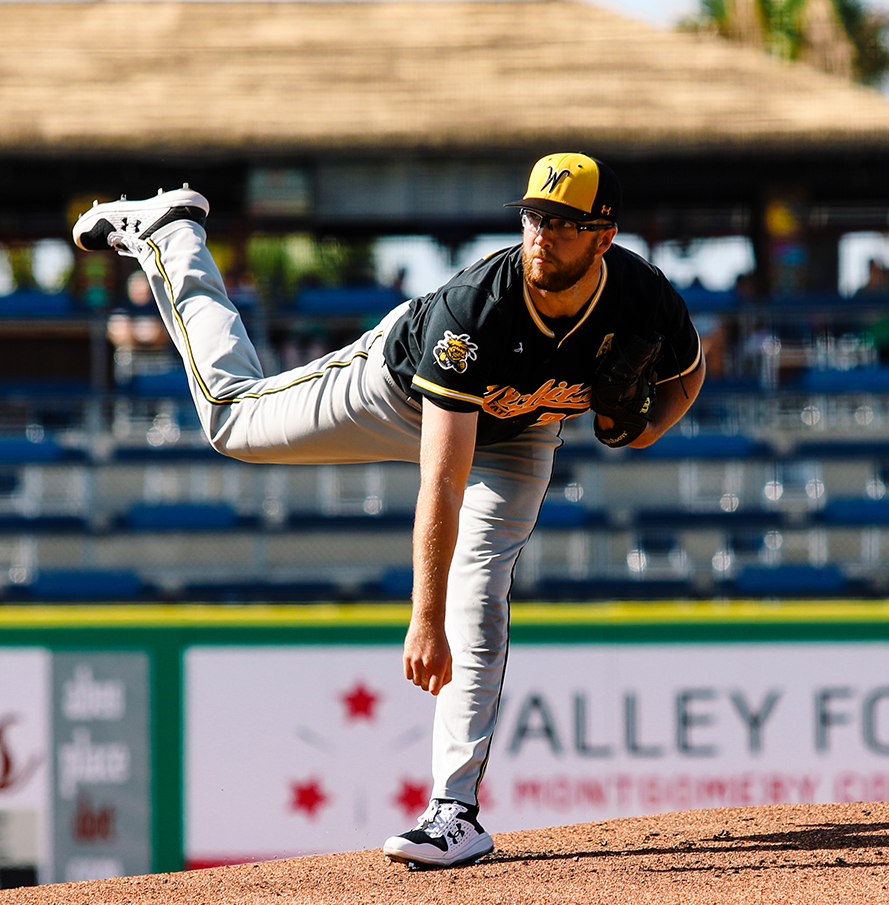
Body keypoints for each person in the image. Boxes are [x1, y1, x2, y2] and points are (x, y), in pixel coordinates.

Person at [72, 153, 703, 868]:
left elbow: (689, 373)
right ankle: (172, 233)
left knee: (485, 588)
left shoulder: (644, 299)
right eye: (534, 217)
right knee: (230, 420)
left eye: (564, 223)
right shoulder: (478, 308)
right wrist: (424, 618)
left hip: (522, 430)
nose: (542, 235)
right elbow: (441, 478)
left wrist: (642, 431)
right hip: (401, 395)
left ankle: (453, 813)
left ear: (604, 236)